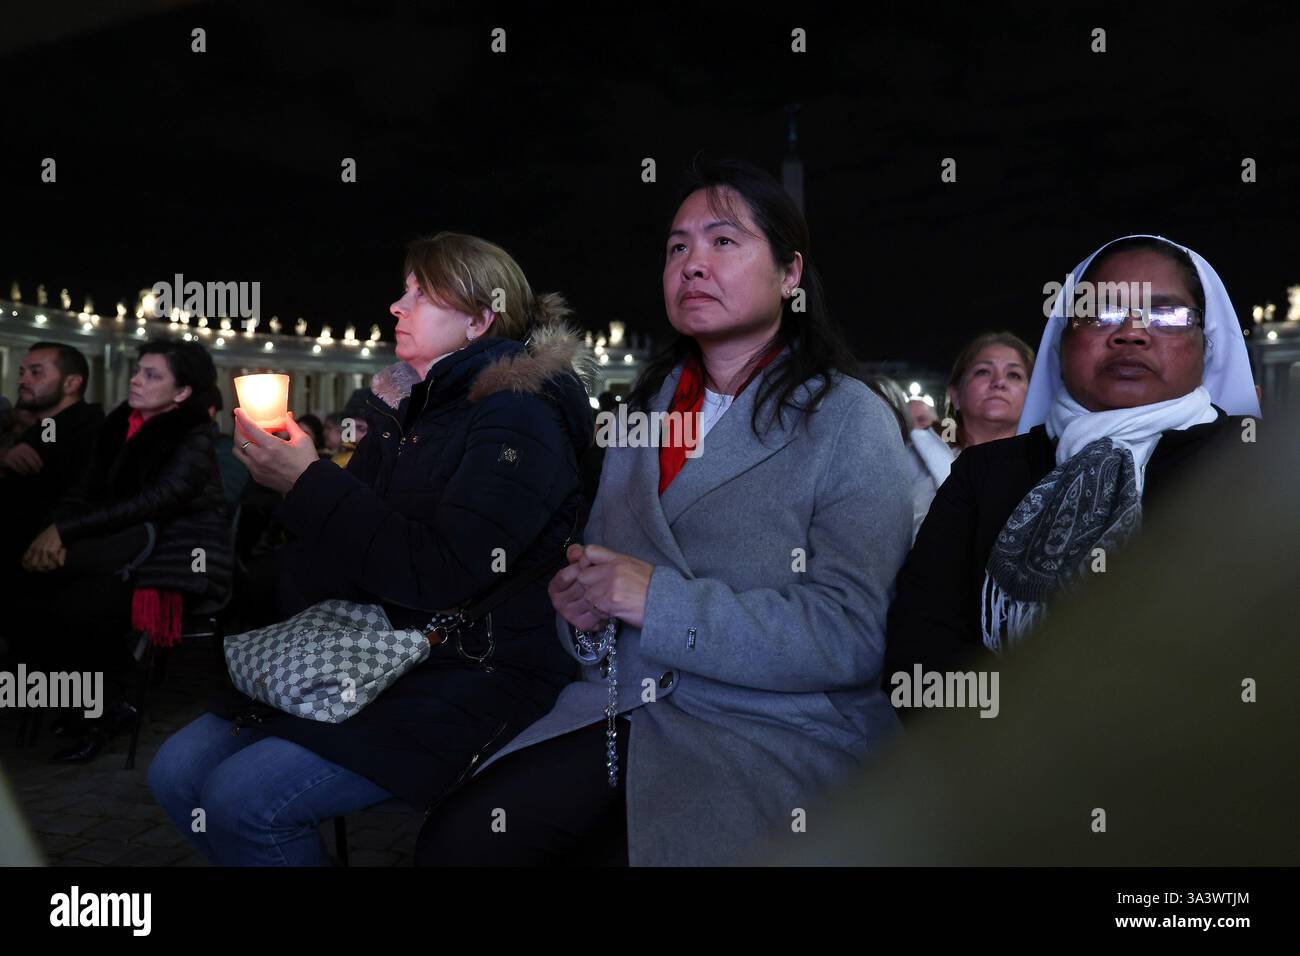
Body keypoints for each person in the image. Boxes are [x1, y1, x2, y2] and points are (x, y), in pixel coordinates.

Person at [415, 158, 913, 866]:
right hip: (627, 709)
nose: (693, 264)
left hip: (772, 730)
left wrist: (660, 601)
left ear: (791, 274)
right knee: (459, 842)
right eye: (677, 247)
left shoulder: (847, 419)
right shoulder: (644, 416)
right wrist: (581, 615)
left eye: (723, 241)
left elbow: (850, 635)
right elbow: (603, 582)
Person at [148, 232, 595, 866]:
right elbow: (353, 539)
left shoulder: (518, 414)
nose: (396, 305)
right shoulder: (406, 408)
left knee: (244, 802)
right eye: (405, 288)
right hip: (373, 646)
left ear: (479, 318)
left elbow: (445, 568)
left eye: (421, 292)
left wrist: (307, 482)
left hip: (472, 664)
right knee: (176, 772)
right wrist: (288, 478)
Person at [884, 235, 1261, 685]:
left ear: (1208, 344)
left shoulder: (1257, 467)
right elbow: (922, 652)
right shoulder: (985, 476)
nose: (1132, 331)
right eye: (1101, 310)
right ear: (1062, 342)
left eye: (1167, 314)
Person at [13, 339, 233, 761]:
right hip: (128, 543)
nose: (136, 379)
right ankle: (83, 699)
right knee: (40, 587)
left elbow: (155, 500)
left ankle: (109, 709)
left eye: (153, 375)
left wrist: (66, 531)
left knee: (86, 600)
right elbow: (83, 490)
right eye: (138, 370)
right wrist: (53, 531)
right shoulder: (119, 425)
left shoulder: (195, 435)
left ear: (183, 391)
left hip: (181, 554)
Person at [910, 333, 1036, 532]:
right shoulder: (912, 455)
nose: (999, 382)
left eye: (1014, 375)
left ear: (1032, 395)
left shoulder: (1050, 469)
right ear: (955, 395)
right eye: (983, 372)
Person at [0, 343, 103, 567]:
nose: (23, 381)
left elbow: (81, 496)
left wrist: (61, 528)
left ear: (71, 383)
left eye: (36, 372)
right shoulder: (48, 427)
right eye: (22, 373)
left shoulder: (91, 432)